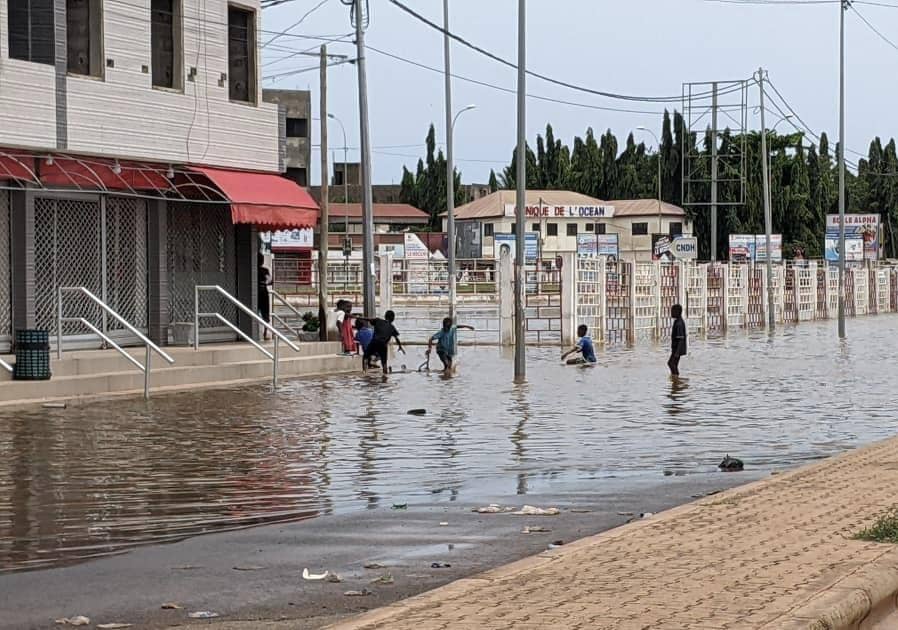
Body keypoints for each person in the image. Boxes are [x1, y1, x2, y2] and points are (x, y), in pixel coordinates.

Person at [363, 310, 404, 375]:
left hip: (374, 342)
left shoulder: (378, 320)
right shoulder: (392, 327)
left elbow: (367, 319)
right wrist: (400, 346)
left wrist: (353, 316)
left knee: (365, 357)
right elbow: (396, 338)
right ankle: (385, 376)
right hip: (383, 345)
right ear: (393, 319)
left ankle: (364, 373)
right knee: (384, 363)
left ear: (385, 316)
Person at [668, 304, 687, 377]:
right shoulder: (677, 321)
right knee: (673, 364)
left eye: (673, 311)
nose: (671, 313)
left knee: (671, 363)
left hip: (677, 349)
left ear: (678, 312)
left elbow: (681, 339)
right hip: (676, 348)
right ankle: (675, 379)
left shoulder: (679, 323)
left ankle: (676, 378)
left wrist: (677, 352)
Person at [258, 253, 272, 341]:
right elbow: (270, 280)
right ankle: (265, 332)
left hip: (256, 291)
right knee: (265, 313)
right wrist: (265, 283)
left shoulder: (251, 269)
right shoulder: (265, 270)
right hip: (263, 292)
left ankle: (260, 331)